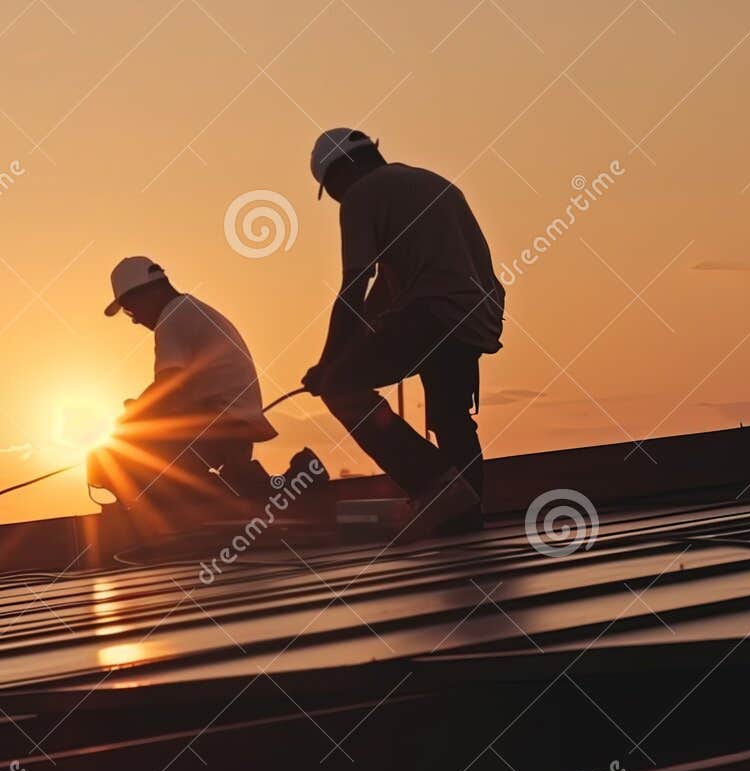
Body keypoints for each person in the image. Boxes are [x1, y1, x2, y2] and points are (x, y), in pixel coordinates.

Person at [300, 128, 504, 533]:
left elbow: (354, 287)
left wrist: (329, 366)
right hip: (475, 315)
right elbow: (382, 292)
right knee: (451, 418)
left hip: (431, 313)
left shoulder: (360, 195)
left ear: (339, 174)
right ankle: (465, 514)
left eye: (334, 190)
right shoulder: (431, 182)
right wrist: (359, 340)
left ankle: (436, 483)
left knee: (341, 388)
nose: (338, 199)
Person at [90, 256, 276, 515]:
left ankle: (172, 519)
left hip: (221, 426)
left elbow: (169, 387)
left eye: (130, 309)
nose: (133, 320)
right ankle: (234, 488)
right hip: (232, 427)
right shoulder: (190, 309)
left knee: (107, 459)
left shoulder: (172, 317)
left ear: (151, 293)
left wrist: (129, 417)